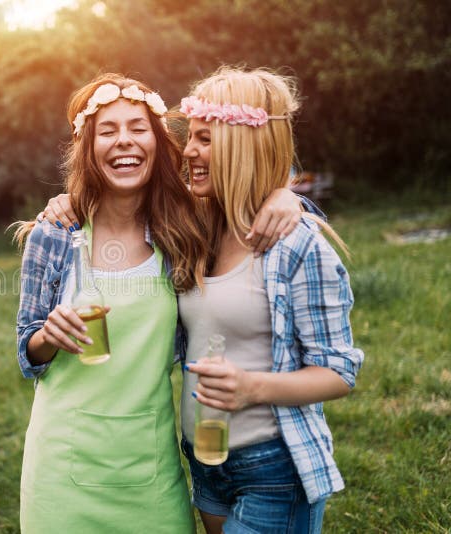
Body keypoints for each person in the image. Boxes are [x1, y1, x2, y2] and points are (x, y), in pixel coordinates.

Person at [15, 73, 207, 533]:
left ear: (157, 141)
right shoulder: (54, 235)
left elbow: (253, 210)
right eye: (108, 130)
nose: (124, 141)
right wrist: (47, 336)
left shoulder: (182, 231)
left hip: (149, 465)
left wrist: (286, 201)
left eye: (138, 128)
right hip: (62, 471)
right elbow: (27, 352)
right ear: (88, 147)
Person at [177, 67, 364, 533]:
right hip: (206, 459)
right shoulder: (196, 230)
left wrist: (252, 388)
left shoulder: (297, 245)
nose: (188, 151)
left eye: (204, 138)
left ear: (242, 146)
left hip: (272, 468)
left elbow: (338, 371)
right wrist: (63, 208)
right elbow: (120, 204)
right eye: (190, 137)